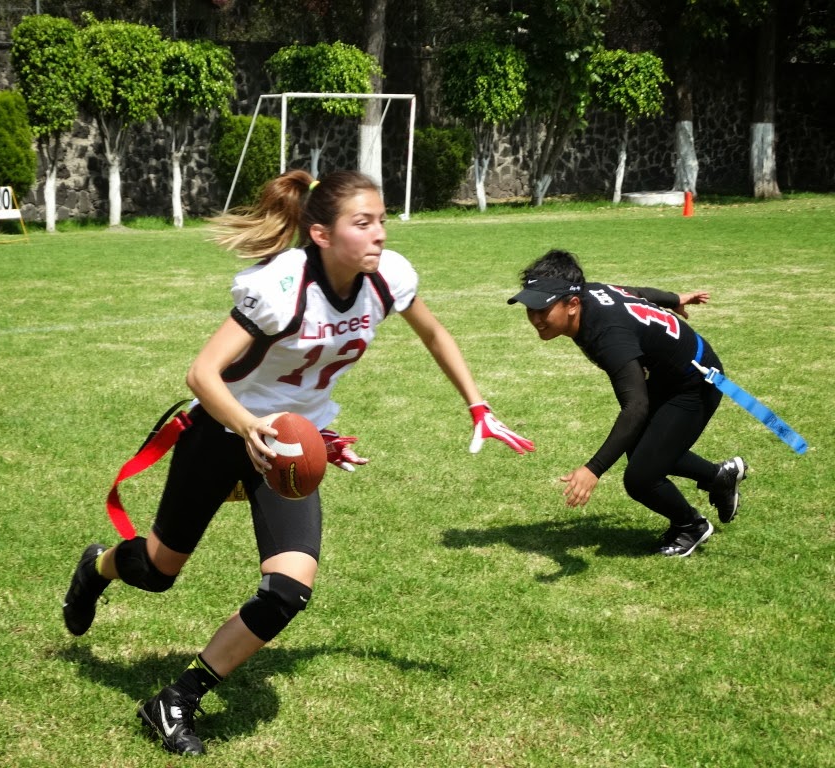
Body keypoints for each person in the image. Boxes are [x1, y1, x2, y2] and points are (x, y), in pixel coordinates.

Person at [62, 169, 534, 756]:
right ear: (321, 234)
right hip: (222, 429)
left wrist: (477, 404)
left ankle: (176, 699)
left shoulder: (387, 279)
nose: (380, 234)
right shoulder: (283, 286)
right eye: (363, 223)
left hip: (290, 443)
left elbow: (435, 333)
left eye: (382, 220)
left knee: (288, 590)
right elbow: (201, 374)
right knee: (157, 572)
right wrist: (247, 425)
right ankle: (97, 568)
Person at [507, 249, 747, 558]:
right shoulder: (589, 292)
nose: (536, 318)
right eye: (530, 308)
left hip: (695, 383)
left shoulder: (608, 336)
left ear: (573, 304)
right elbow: (634, 293)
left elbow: (635, 406)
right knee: (644, 451)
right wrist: (673, 299)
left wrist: (593, 469)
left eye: (543, 308)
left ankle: (691, 526)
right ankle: (720, 477)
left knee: (641, 478)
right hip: (672, 374)